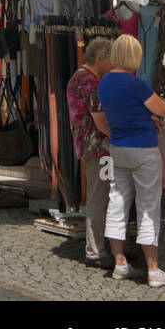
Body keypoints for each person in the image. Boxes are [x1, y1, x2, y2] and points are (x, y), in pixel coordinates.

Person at [98, 33, 165, 288]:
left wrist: (146, 118)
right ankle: (153, 270)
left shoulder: (105, 82)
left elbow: (121, 112)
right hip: (143, 149)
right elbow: (164, 110)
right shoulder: (136, 84)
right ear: (134, 56)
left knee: (117, 203)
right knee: (148, 207)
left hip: (118, 148)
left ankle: (120, 264)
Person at [66, 36, 114, 267]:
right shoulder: (89, 82)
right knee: (100, 197)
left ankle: (103, 247)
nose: (113, 65)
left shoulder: (79, 77)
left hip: (92, 148)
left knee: (101, 196)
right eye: (110, 60)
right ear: (99, 57)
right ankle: (95, 251)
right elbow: (101, 121)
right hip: (99, 149)